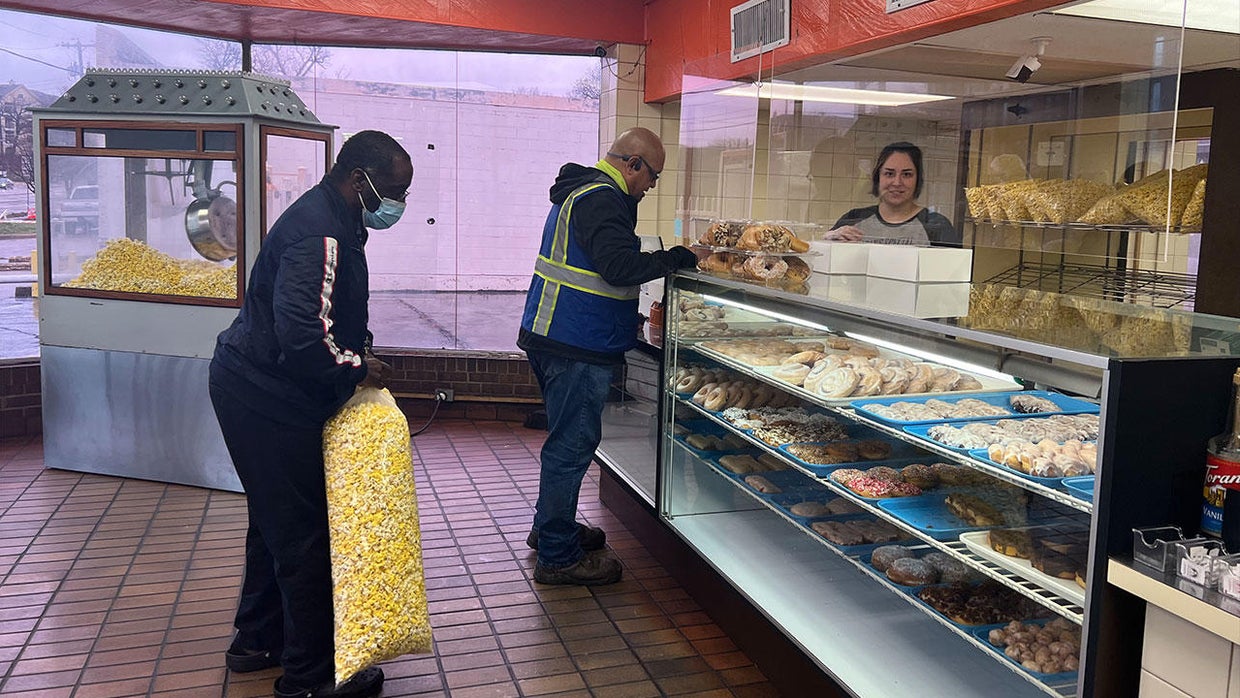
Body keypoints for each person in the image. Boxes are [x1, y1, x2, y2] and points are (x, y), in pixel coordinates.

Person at [208, 130, 412, 698]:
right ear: (357, 180)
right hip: (264, 396)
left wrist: (354, 345)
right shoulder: (320, 232)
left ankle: (257, 641)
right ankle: (309, 676)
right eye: (393, 190)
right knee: (301, 535)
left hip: (254, 386)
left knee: (274, 522)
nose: (399, 203)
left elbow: (324, 311)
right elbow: (302, 337)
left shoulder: (337, 219)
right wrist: (356, 367)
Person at [518, 127, 698, 586]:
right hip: (577, 344)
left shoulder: (582, 191)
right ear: (633, 164)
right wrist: (673, 258)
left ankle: (549, 528)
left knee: (564, 443)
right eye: (652, 175)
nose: (652, 185)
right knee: (571, 448)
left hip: (557, 333)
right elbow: (617, 267)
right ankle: (558, 555)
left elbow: (591, 269)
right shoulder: (602, 198)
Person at [824, 141, 960, 247]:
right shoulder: (855, 218)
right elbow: (822, 256)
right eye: (889, 173)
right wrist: (830, 237)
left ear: (918, 179)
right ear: (878, 177)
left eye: (907, 174)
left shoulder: (936, 226)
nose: (897, 182)